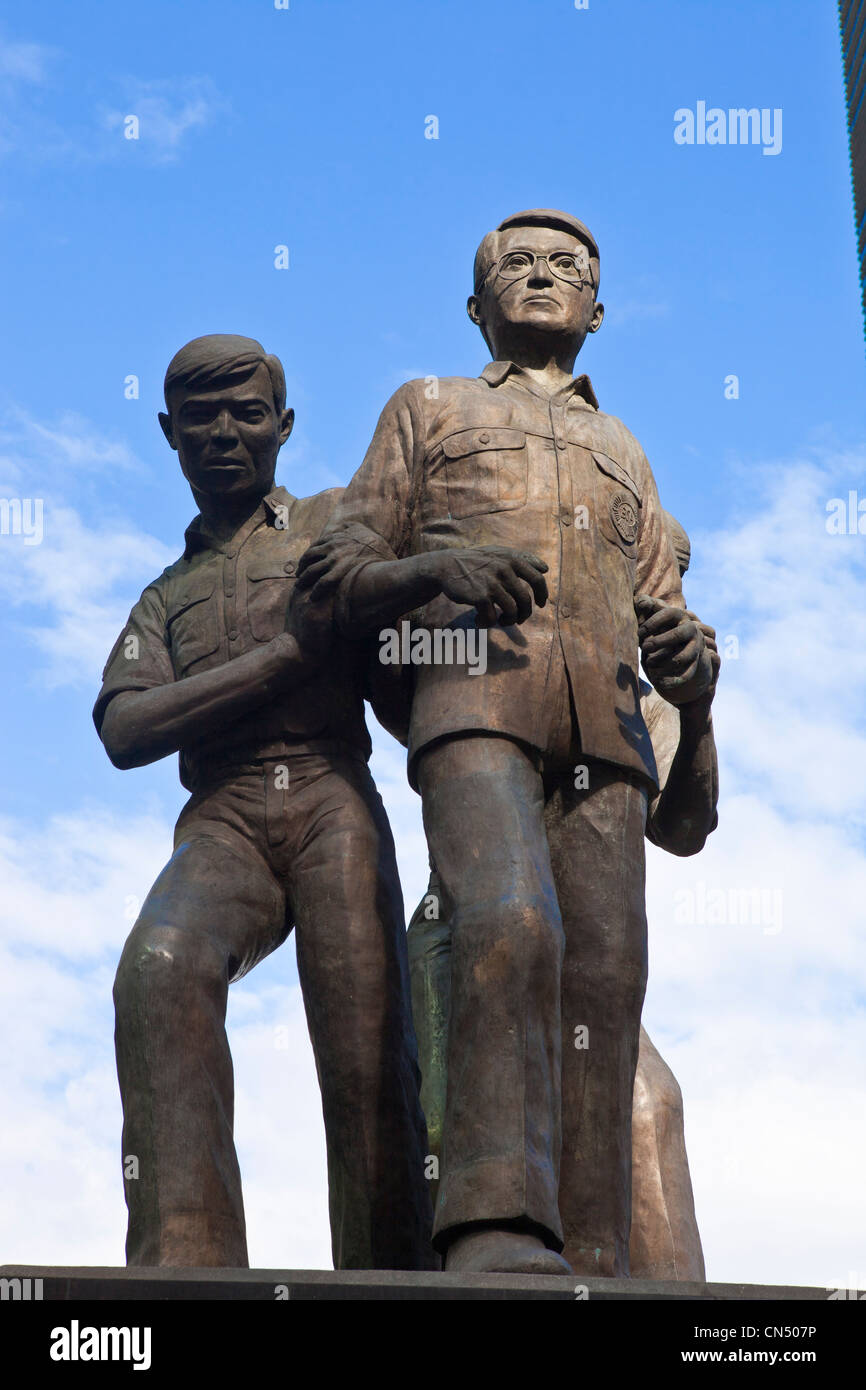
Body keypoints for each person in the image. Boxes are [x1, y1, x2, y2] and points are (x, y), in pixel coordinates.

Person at [293, 210, 716, 1274]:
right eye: (513, 265)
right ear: (475, 306)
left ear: (597, 309)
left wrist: (690, 670)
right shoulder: (423, 407)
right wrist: (434, 573)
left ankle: (597, 1253)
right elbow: (335, 570)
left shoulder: (626, 452)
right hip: (473, 704)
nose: (540, 276)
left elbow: (662, 611)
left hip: (610, 745)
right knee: (509, 920)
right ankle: (492, 1225)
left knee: (606, 977)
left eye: (564, 267)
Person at [94, 334, 434, 1270]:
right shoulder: (164, 598)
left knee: (367, 1033)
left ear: (284, 427)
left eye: (247, 411)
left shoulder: (334, 525)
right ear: (169, 434)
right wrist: (286, 658)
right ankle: (185, 1259)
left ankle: (391, 1272)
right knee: (158, 968)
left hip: (331, 793)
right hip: (223, 820)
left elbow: (405, 629)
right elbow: (125, 729)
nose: (224, 432)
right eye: (200, 416)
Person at [407, 513, 719, 1280]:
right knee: (456, 1118)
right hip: (476, 940)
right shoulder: (484, 646)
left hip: (587, 973)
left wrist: (699, 705)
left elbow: (685, 827)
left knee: (652, 1107)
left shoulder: (641, 704)